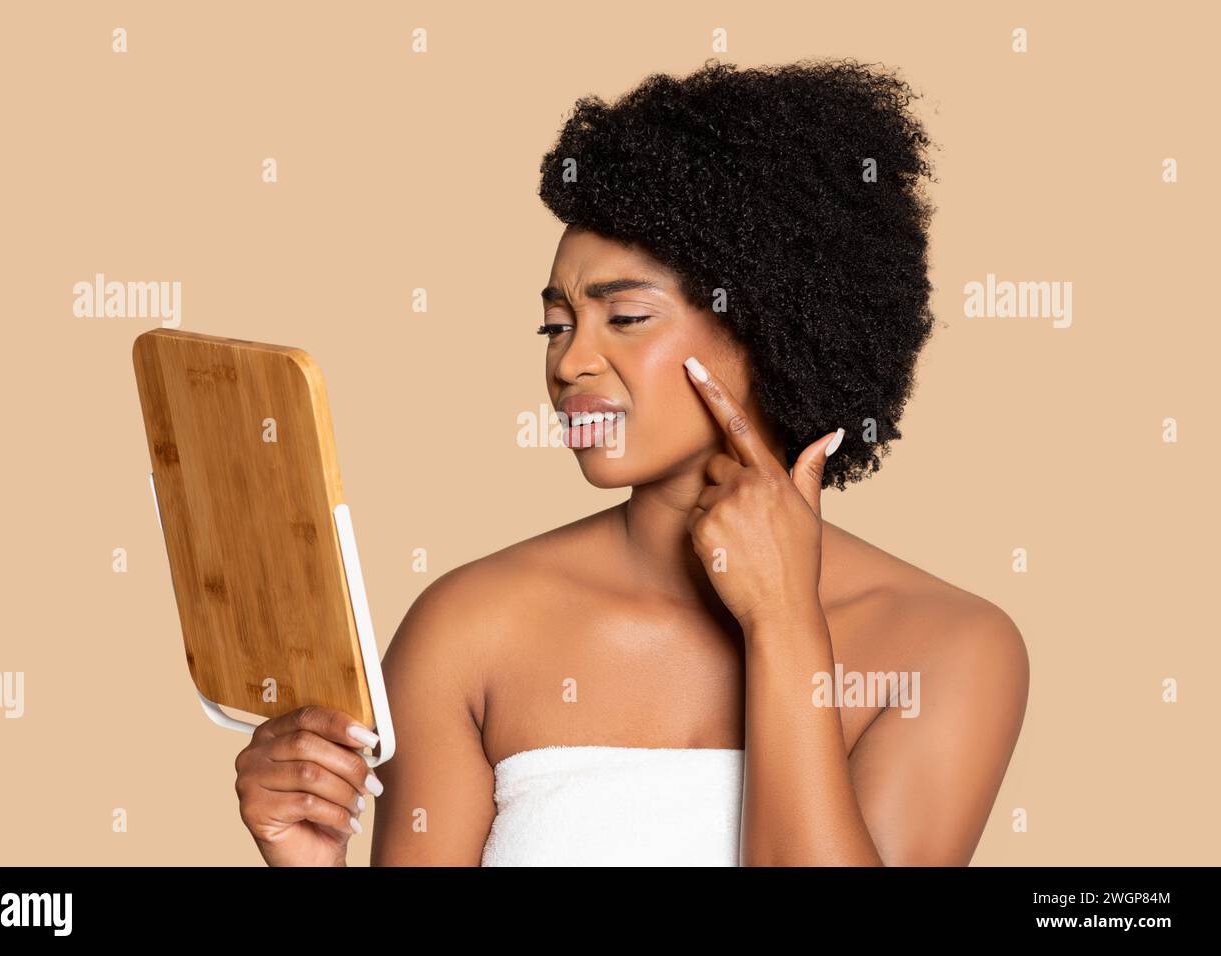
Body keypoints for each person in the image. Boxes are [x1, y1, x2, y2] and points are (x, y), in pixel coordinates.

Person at [233, 57, 1029, 866]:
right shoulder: (470, 627)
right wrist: (309, 863)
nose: (571, 361)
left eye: (627, 316)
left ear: (771, 326)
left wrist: (784, 623)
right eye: (556, 324)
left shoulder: (947, 647)